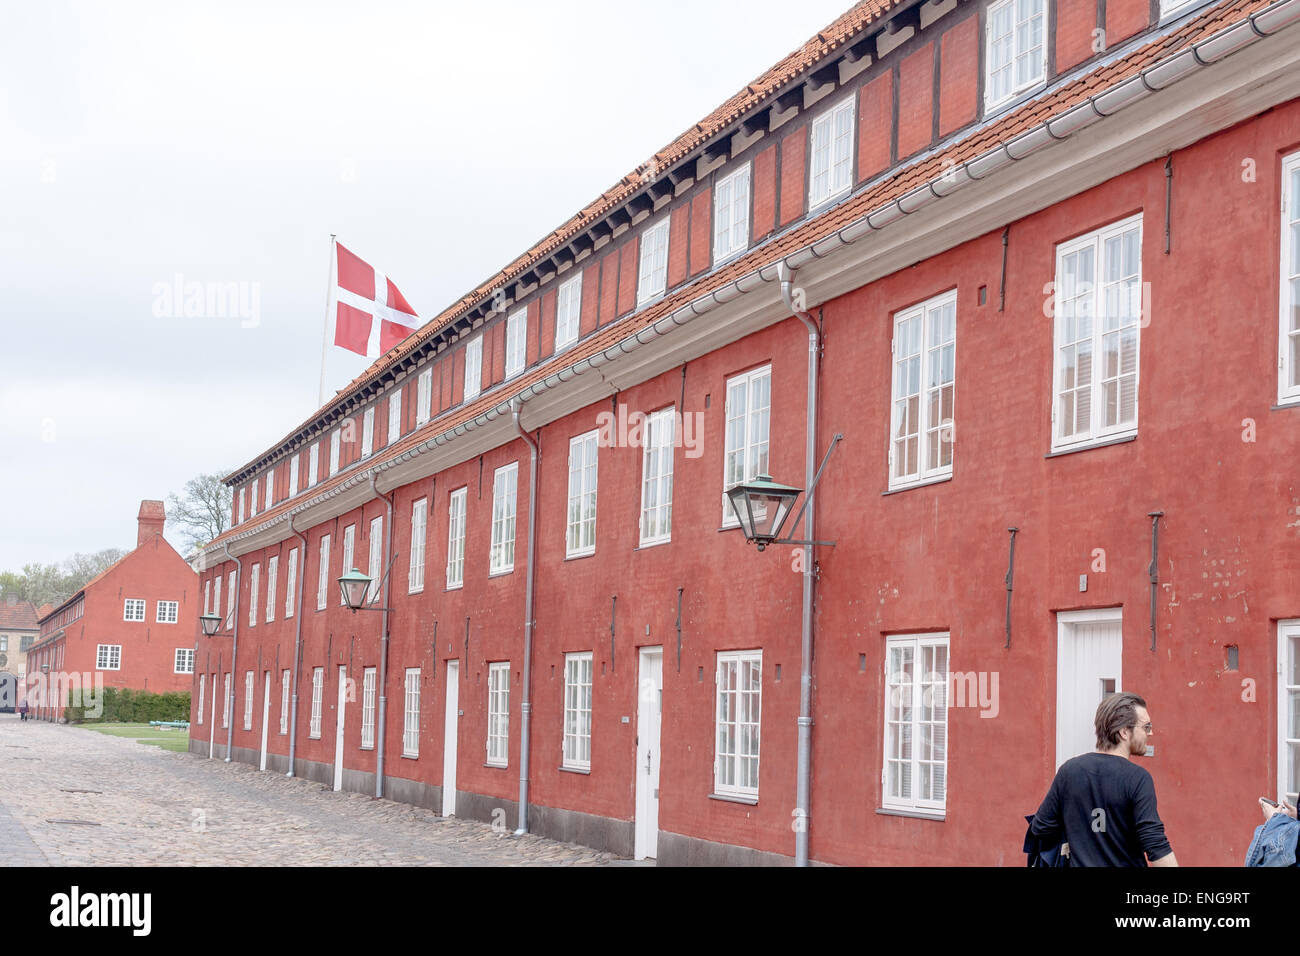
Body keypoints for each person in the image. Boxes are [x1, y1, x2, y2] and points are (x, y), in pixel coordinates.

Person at [1029, 692, 1178, 867]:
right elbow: (1155, 843)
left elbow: (1040, 827)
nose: (1150, 732)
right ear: (1124, 732)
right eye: (1146, 727)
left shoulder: (1069, 771)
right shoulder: (1137, 778)